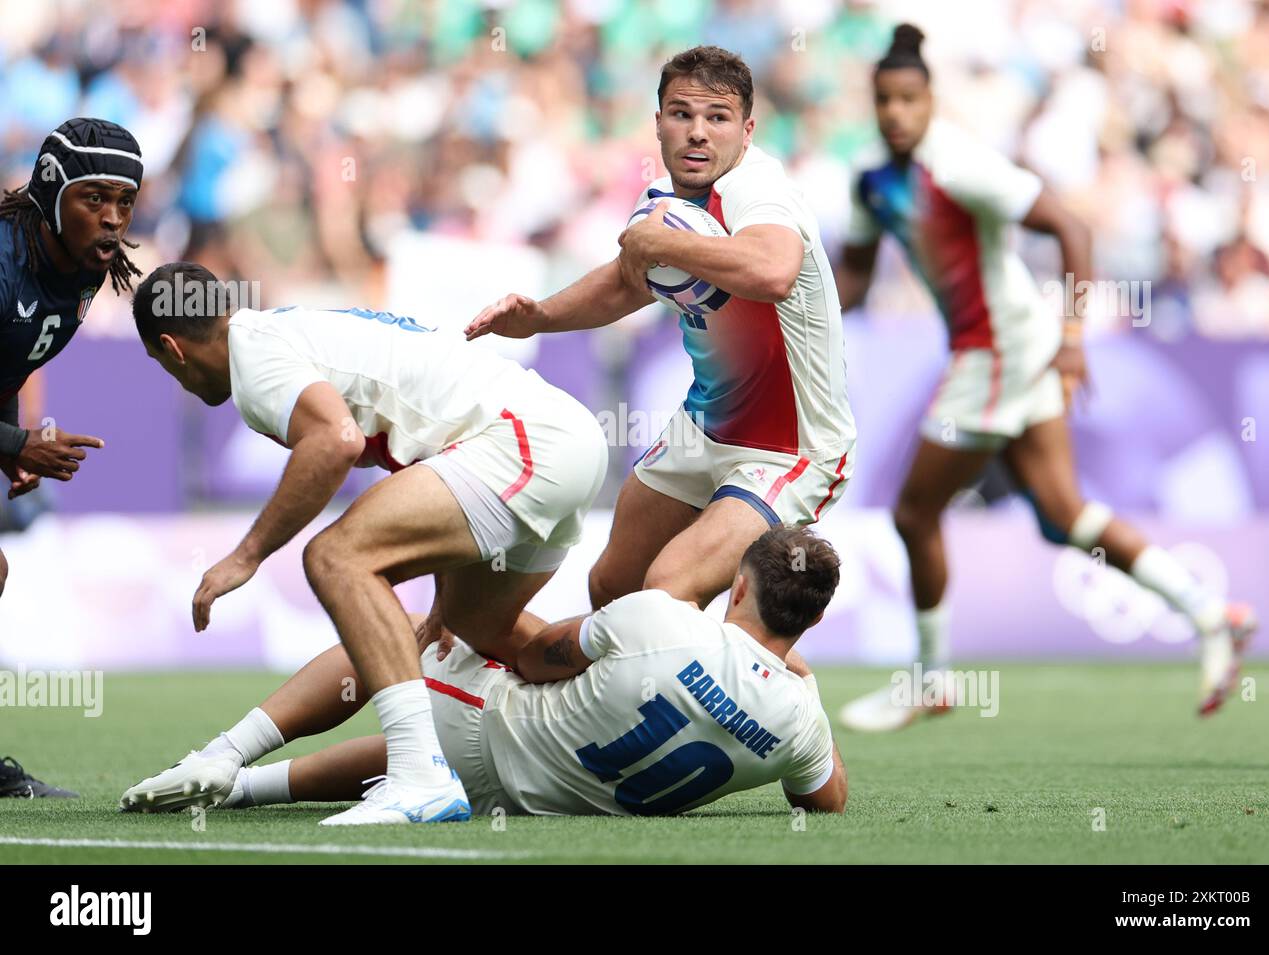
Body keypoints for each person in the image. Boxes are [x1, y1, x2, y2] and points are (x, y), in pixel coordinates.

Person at [834, 25, 1255, 730]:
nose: (896, 113)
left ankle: (932, 679)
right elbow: (853, 274)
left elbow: (1070, 227)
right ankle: (1213, 612)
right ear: (873, 105)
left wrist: (1071, 336)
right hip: (994, 350)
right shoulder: (873, 184)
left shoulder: (962, 167)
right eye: (884, 100)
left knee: (912, 513)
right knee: (1065, 518)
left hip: (1000, 351)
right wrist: (793, 313)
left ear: (930, 101)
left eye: (909, 99)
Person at [130, 262, 608, 823]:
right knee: (463, 633)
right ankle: (620, 686)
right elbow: (423, 453)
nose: (176, 379)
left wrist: (247, 555)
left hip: (523, 443)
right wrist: (442, 600)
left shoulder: (253, 358)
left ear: (172, 347)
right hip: (557, 439)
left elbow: (335, 441)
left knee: (335, 558)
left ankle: (419, 776)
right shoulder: (283, 331)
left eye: (162, 365)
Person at [463, 46, 855, 627]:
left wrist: (660, 244)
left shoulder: (759, 189)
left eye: (717, 118)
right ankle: (639, 708)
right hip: (704, 430)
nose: (698, 133)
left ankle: (774, 705)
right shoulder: (666, 204)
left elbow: (773, 272)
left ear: (746, 131)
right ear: (658, 123)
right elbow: (628, 283)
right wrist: (539, 316)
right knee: (613, 587)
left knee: (667, 590)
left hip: (789, 449)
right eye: (681, 114)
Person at [120, 526, 847, 820]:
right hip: (548, 802)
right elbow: (827, 800)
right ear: (810, 621)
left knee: (396, 637)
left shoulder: (662, 619)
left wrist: (467, 610)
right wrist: (792, 677)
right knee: (424, 729)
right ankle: (244, 789)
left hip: (491, 734)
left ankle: (228, 751)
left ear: (740, 588)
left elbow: (534, 654)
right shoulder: (800, 721)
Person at [0, 118, 143, 800]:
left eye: (126, 202)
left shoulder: (79, 272)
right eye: (96, 199)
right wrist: (16, 444)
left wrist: (8, 440)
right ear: (52, 191)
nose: (113, 220)